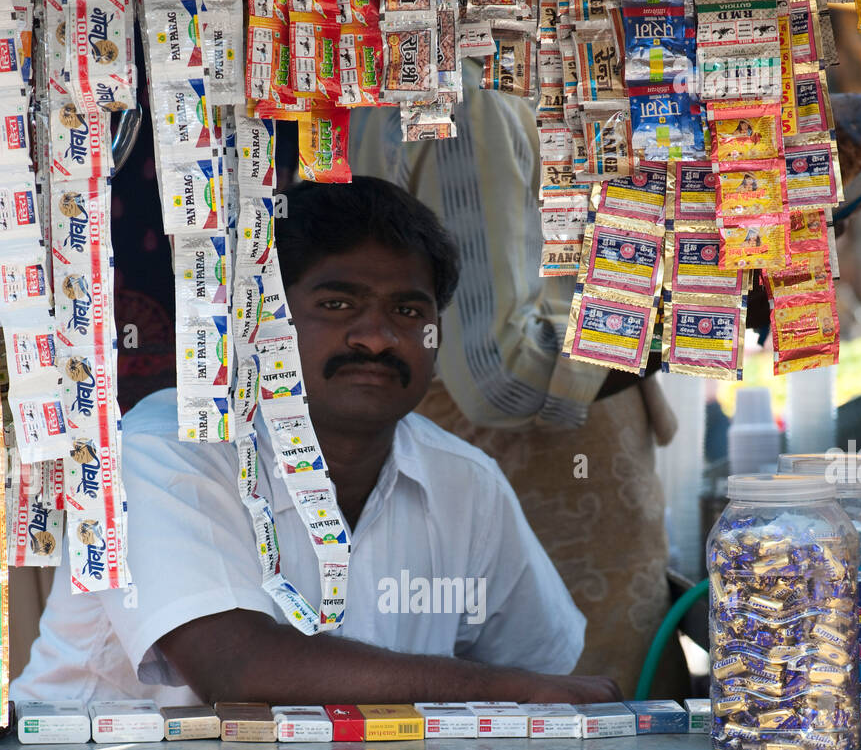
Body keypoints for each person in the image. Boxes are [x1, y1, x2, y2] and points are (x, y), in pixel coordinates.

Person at [14, 177, 618, 709]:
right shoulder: (168, 446)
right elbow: (234, 666)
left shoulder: (464, 480)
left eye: (409, 311)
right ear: (260, 319)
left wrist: (513, 691)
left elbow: (542, 669)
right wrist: (497, 689)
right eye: (337, 304)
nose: (377, 338)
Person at [350, 71, 679, 696]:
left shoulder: (476, 84)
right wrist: (686, 326)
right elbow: (501, 373)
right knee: (558, 738)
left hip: (545, 479)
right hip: (536, 483)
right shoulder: (473, 102)